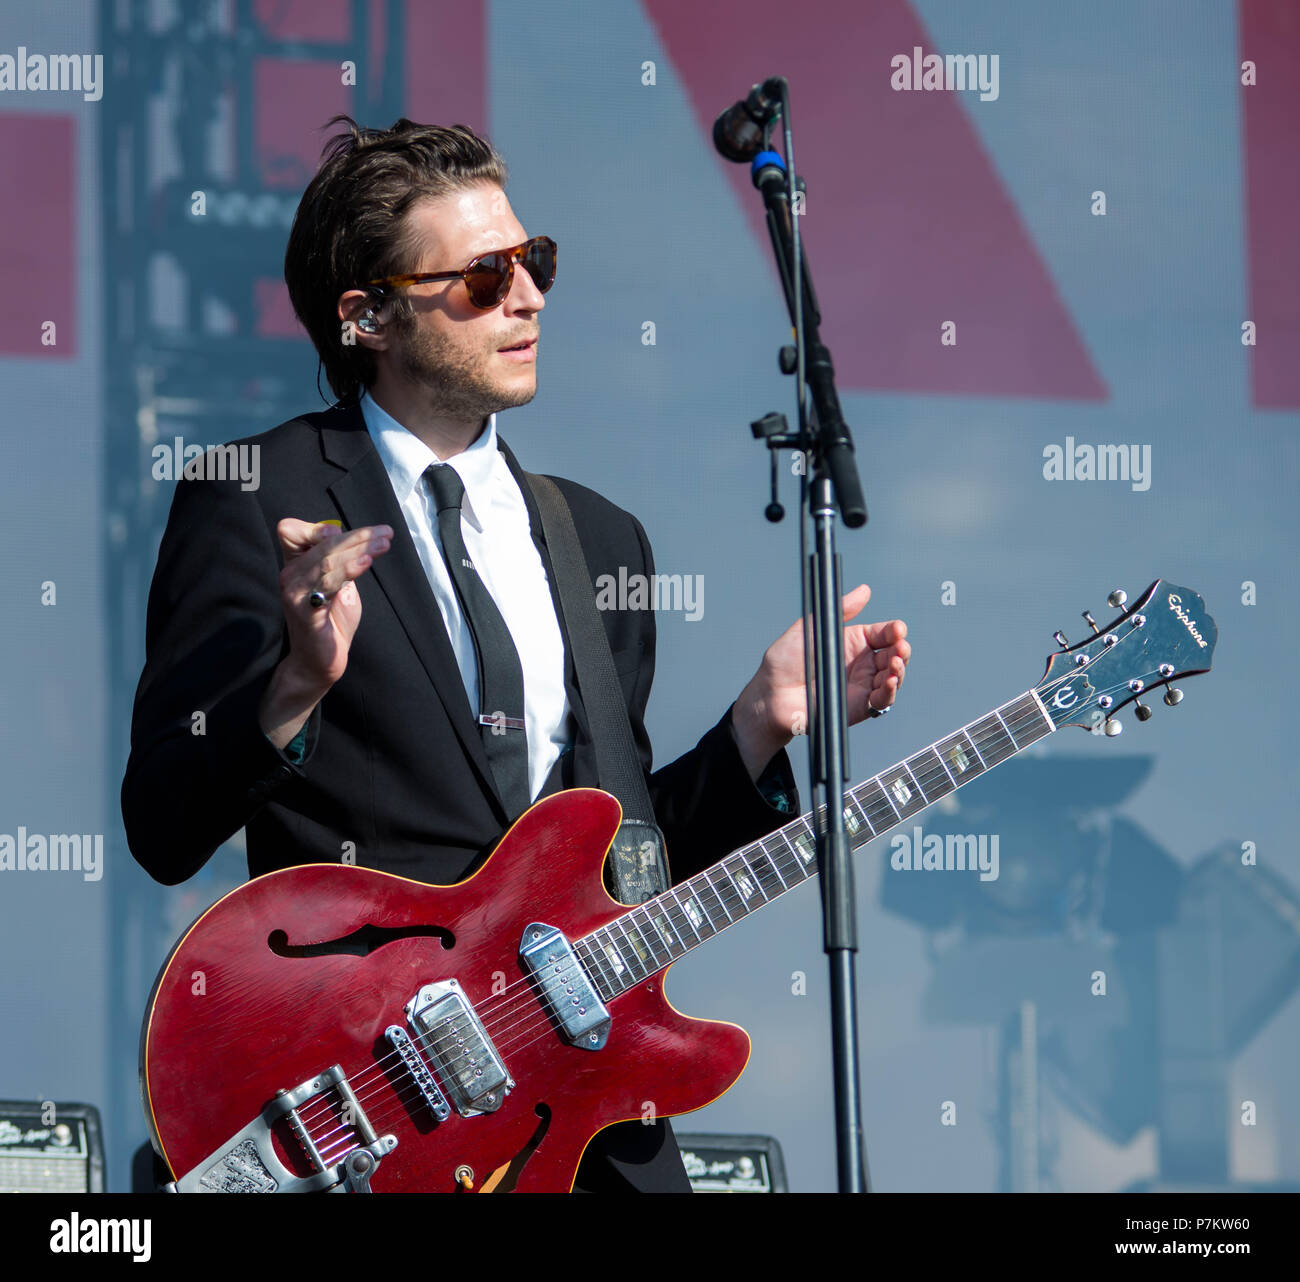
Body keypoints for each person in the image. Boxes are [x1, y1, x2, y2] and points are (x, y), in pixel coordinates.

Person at [121, 116, 910, 1192]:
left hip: (580, 1131)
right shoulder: (258, 495)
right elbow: (163, 823)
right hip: (380, 1114)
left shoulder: (600, 538)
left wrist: (756, 726)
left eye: (533, 263)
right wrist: (296, 688)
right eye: (484, 277)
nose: (530, 296)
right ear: (366, 315)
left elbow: (617, 872)